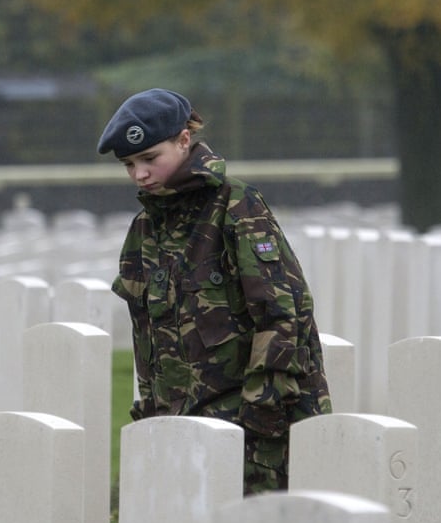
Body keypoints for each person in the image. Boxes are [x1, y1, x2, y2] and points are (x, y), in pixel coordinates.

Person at [97, 88, 332, 495]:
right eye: (129, 164)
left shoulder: (236, 207)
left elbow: (282, 316)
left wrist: (259, 420)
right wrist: (153, 419)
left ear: (184, 140)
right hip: (179, 427)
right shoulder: (144, 230)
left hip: (253, 431)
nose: (140, 174)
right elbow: (148, 338)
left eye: (150, 158)